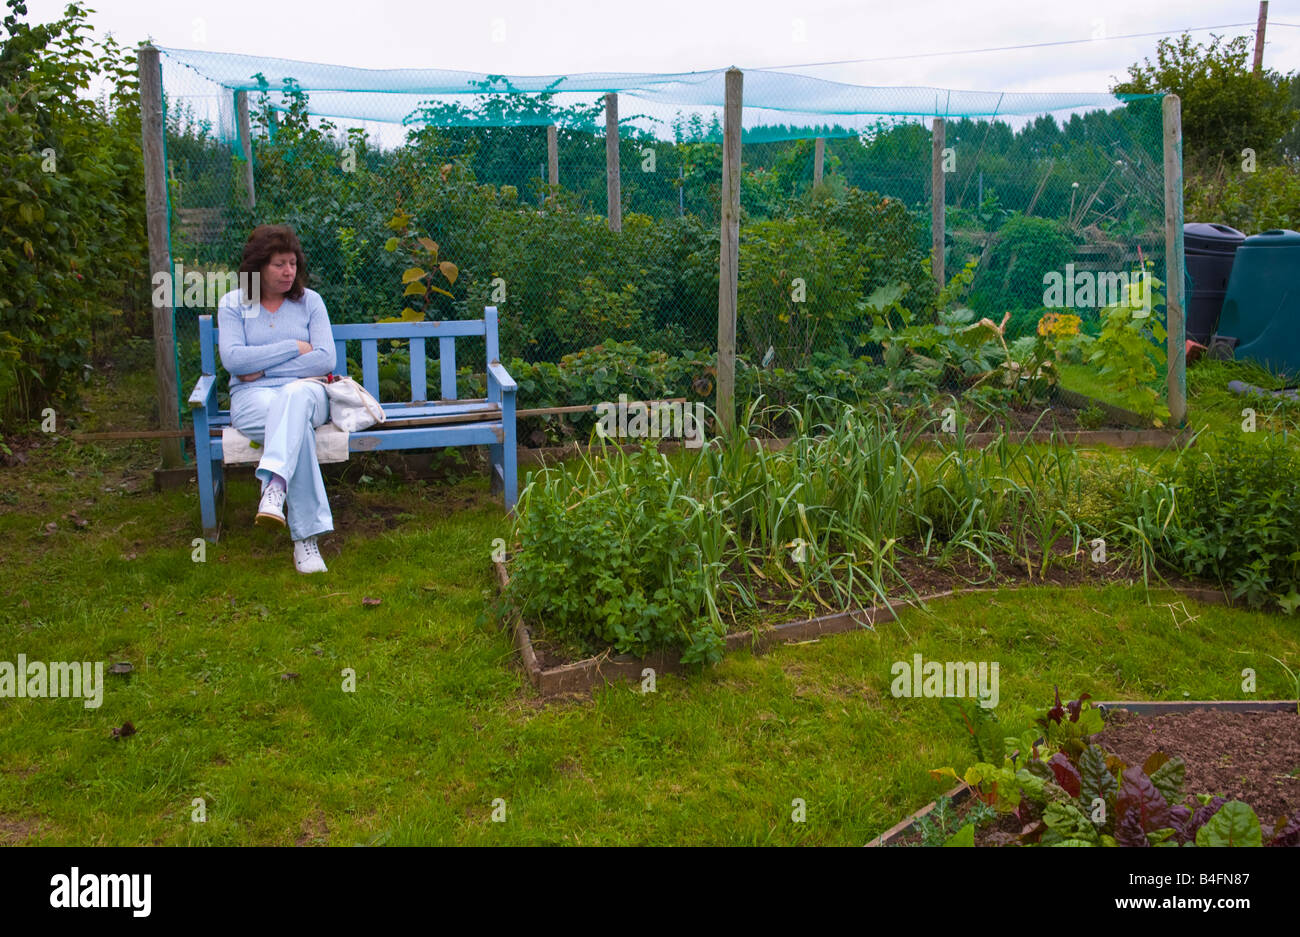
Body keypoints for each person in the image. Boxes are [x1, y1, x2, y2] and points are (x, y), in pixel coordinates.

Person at [217, 225, 337, 574]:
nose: (289, 272)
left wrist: (265, 370)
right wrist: (293, 348)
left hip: (308, 392)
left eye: (293, 264)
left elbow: (326, 359)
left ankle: (275, 487)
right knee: (295, 427)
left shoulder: (310, 303)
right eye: (279, 265)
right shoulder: (234, 304)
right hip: (252, 399)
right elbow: (235, 361)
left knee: (294, 396)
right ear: (258, 267)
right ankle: (306, 541)